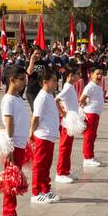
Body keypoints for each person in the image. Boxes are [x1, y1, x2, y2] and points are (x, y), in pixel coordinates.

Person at [0, 66, 31, 216]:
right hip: (13, 144)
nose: (24, 81)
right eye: (21, 79)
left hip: (20, 143)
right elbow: (8, 123)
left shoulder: (18, 98)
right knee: (11, 180)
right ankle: (9, 214)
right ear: (11, 80)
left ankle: (9, 214)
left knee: (14, 178)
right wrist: (9, 145)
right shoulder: (8, 100)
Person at [29, 69, 62, 206]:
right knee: (39, 165)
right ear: (45, 82)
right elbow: (36, 117)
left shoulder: (49, 95)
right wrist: (31, 132)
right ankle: (36, 193)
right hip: (42, 135)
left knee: (46, 165)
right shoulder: (41, 97)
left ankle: (45, 189)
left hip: (49, 136)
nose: (56, 83)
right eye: (53, 80)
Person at [54, 64, 80, 186]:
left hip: (71, 119)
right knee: (64, 146)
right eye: (77, 74)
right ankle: (60, 173)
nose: (79, 76)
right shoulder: (68, 87)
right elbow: (56, 99)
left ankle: (66, 170)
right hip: (67, 120)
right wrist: (62, 113)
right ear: (71, 75)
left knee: (68, 146)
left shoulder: (70, 86)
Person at [80, 65, 105, 169]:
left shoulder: (97, 86)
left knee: (93, 136)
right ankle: (87, 158)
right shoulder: (90, 86)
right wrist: (84, 105)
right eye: (97, 74)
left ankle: (91, 155)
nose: (99, 76)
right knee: (89, 136)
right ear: (91, 75)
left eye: (101, 74)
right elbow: (82, 98)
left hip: (96, 114)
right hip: (90, 114)